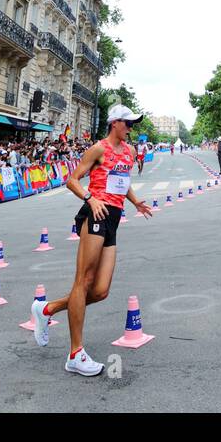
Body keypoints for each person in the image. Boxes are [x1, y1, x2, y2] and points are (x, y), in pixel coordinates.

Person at [34, 103, 153, 377]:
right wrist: (91, 197)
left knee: (100, 291)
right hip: (95, 213)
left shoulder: (131, 152)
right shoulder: (98, 148)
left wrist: (135, 203)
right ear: (114, 123)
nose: (131, 128)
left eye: (132, 124)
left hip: (113, 218)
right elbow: (72, 179)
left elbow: (123, 182)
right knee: (83, 281)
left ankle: (47, 309)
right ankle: (76, 353)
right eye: (128, 123)